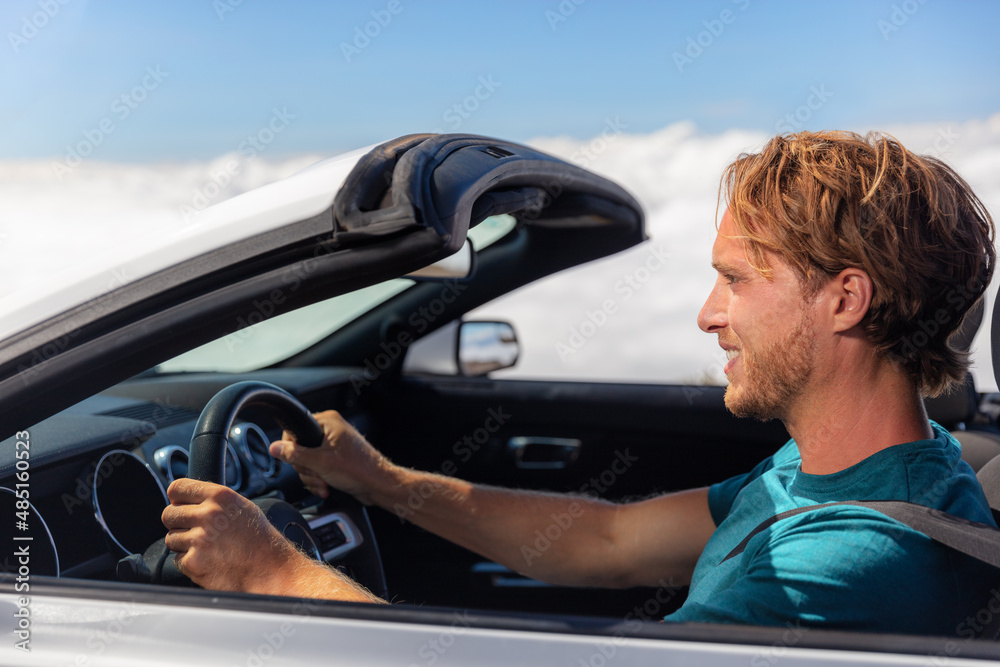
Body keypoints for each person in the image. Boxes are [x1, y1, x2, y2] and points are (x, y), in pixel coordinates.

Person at [161, 130, 998, 633]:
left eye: (738, 280)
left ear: (845, 298)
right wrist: (379, 481)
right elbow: (604, 541)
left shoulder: (846, 562)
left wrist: (272, 575)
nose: (709, 316)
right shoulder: (846, 474)